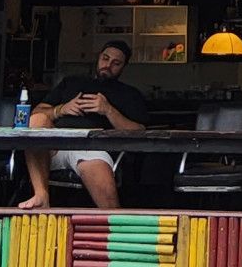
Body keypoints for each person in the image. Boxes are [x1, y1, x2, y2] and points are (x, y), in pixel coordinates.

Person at [20, 40, 150, 209]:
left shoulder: (128, 94)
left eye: (116, 63)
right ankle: (41, 195)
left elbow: (140, 131)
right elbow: (37, 112)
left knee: (97, 171)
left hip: (91, 148)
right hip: (55, 145)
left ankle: (114, 225)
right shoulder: (71, 82)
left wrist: (108, 110)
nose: (108, 65)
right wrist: (61, 109)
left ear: (123, 67)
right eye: (105, 58)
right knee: (37, 120)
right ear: (98, 57)